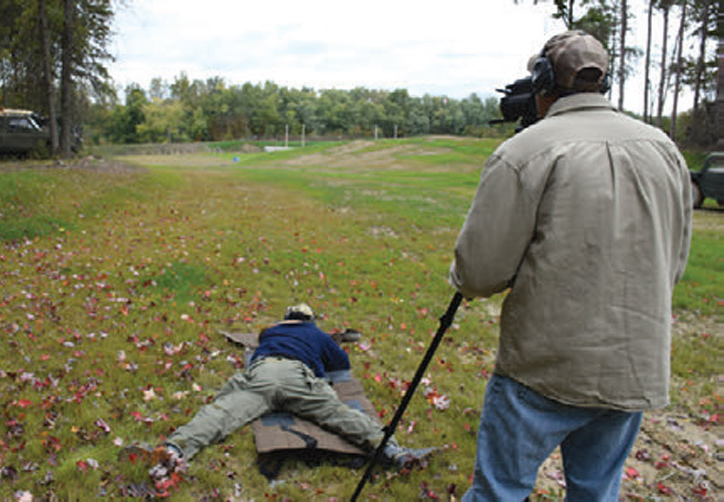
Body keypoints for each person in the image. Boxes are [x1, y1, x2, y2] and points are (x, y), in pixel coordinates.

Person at [449, 31, 693, 502]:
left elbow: (478, 275)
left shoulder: (526, 152)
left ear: (541, 79)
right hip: (632, 366)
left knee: (500, 493)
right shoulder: (664, 148)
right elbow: (673, 263)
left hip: (545, 367)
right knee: (596, 492)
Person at [131, 303, 434, 486]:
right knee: (339, 415)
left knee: (221, 413)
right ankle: (392, 452)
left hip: (262, 374)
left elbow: (257, 346)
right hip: (296, 377)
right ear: (309, 321)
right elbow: (341, 365)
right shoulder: (316, 334)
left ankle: (175, 450)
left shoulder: (270, 331)